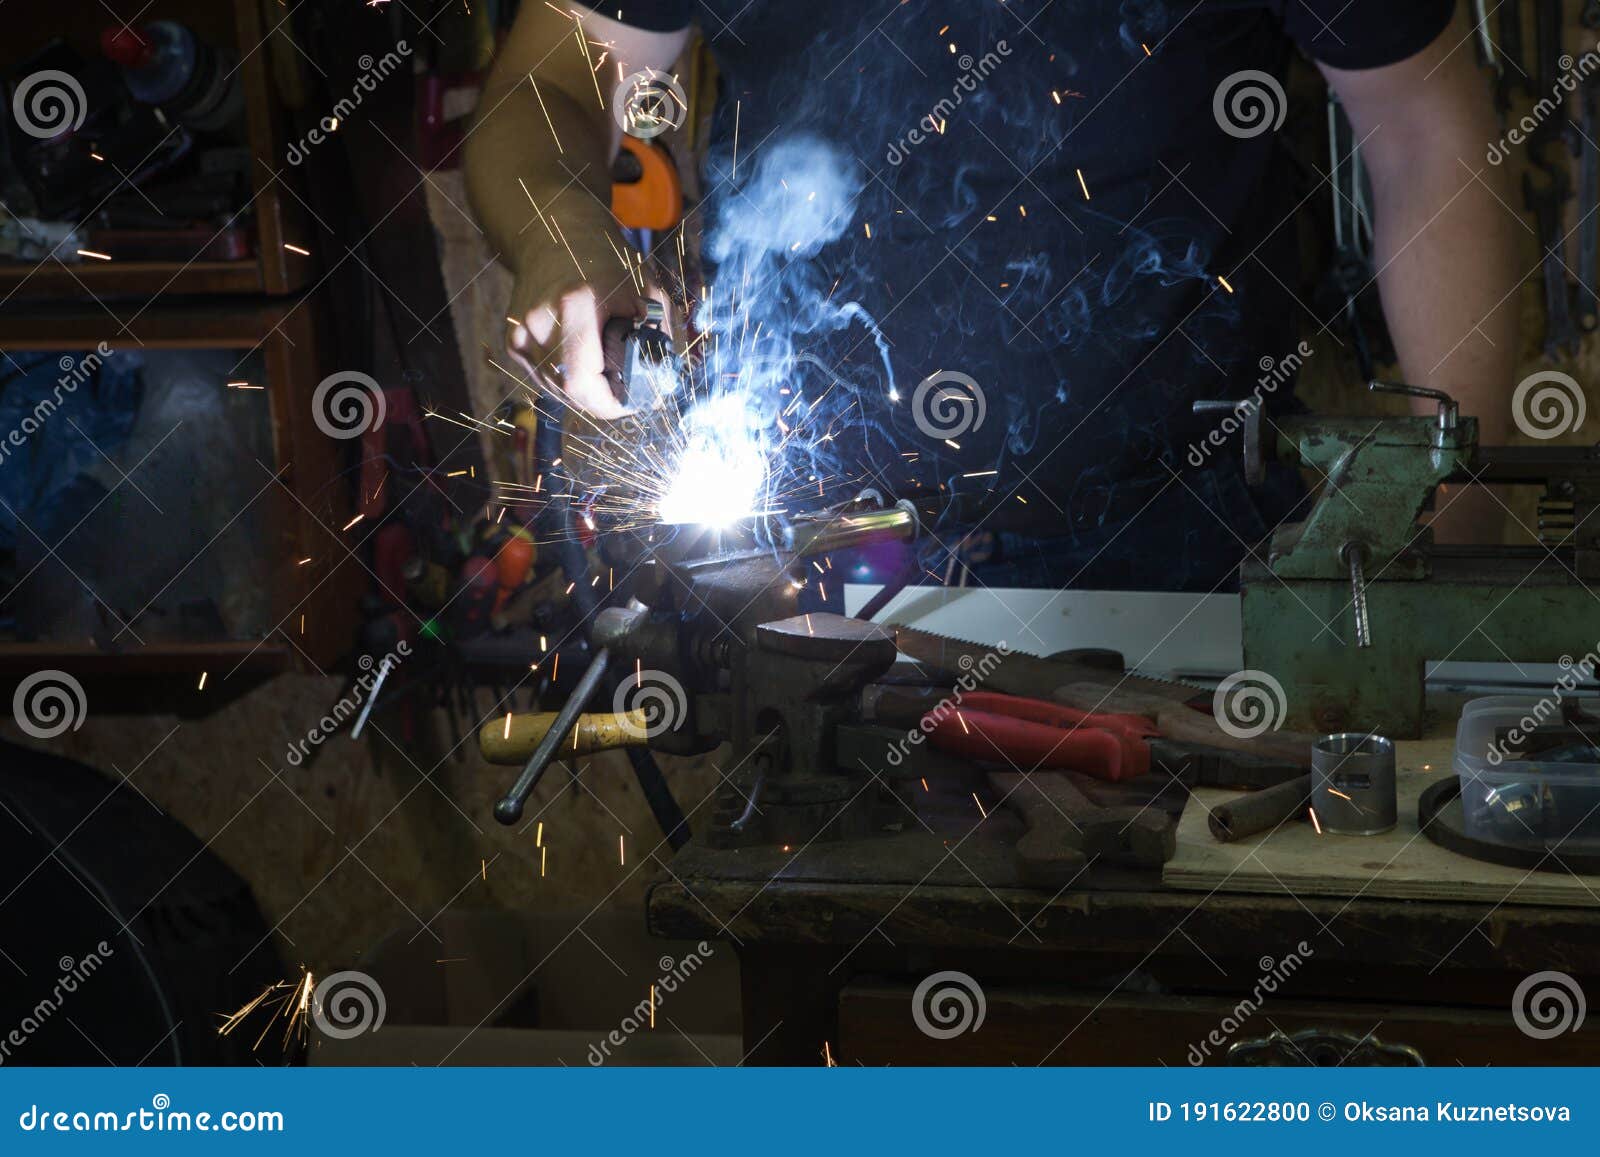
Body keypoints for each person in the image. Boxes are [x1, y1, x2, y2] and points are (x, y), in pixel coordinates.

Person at [464, 2, 1517, 590]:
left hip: (1206, 532)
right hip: (825, 544)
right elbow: (550, 78)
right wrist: (560, 233)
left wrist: (1463, 503)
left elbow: (1426, 133)